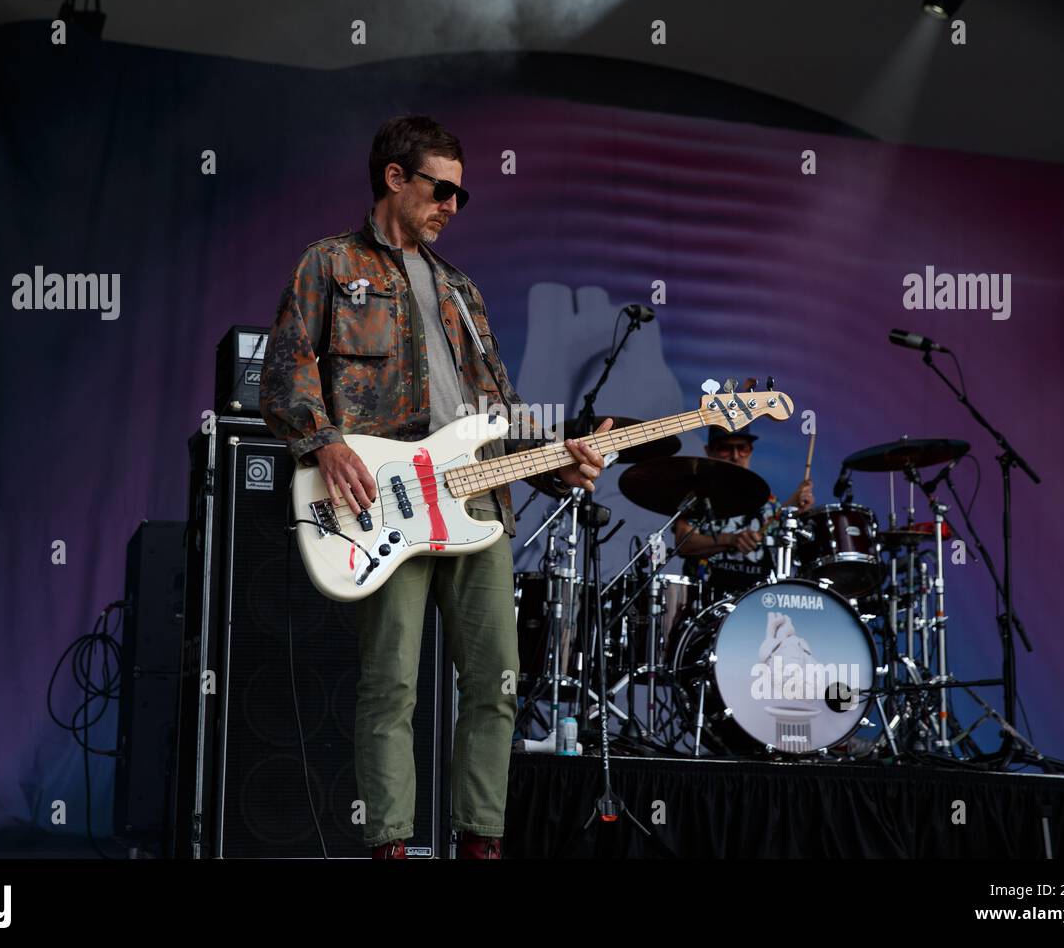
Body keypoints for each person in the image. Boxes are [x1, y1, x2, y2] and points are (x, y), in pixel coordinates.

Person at [259, 115, 611, 859]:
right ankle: (390, 845)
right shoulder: (329, 264)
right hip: (386, 506)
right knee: (391, 686)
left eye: (462, 194)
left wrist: (557, 460)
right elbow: (285, 374)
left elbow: (500, 410)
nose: (454, 206)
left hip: (478, 503)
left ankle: (481, 843)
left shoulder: (460, 290)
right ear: (395, 177)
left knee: (500, 683)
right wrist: (323, 444)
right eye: (442, 189)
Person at [673, 426, 814, 600]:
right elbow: (684, 543)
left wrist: (795, 509)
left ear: (751, 451)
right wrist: (731, 539)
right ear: (708, 451)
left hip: (758, 603)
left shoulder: (766, 500)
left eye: (742, 448)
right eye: (726, 448)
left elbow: (774, 524)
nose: (735, 456)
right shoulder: (698, 497)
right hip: (707, 604)